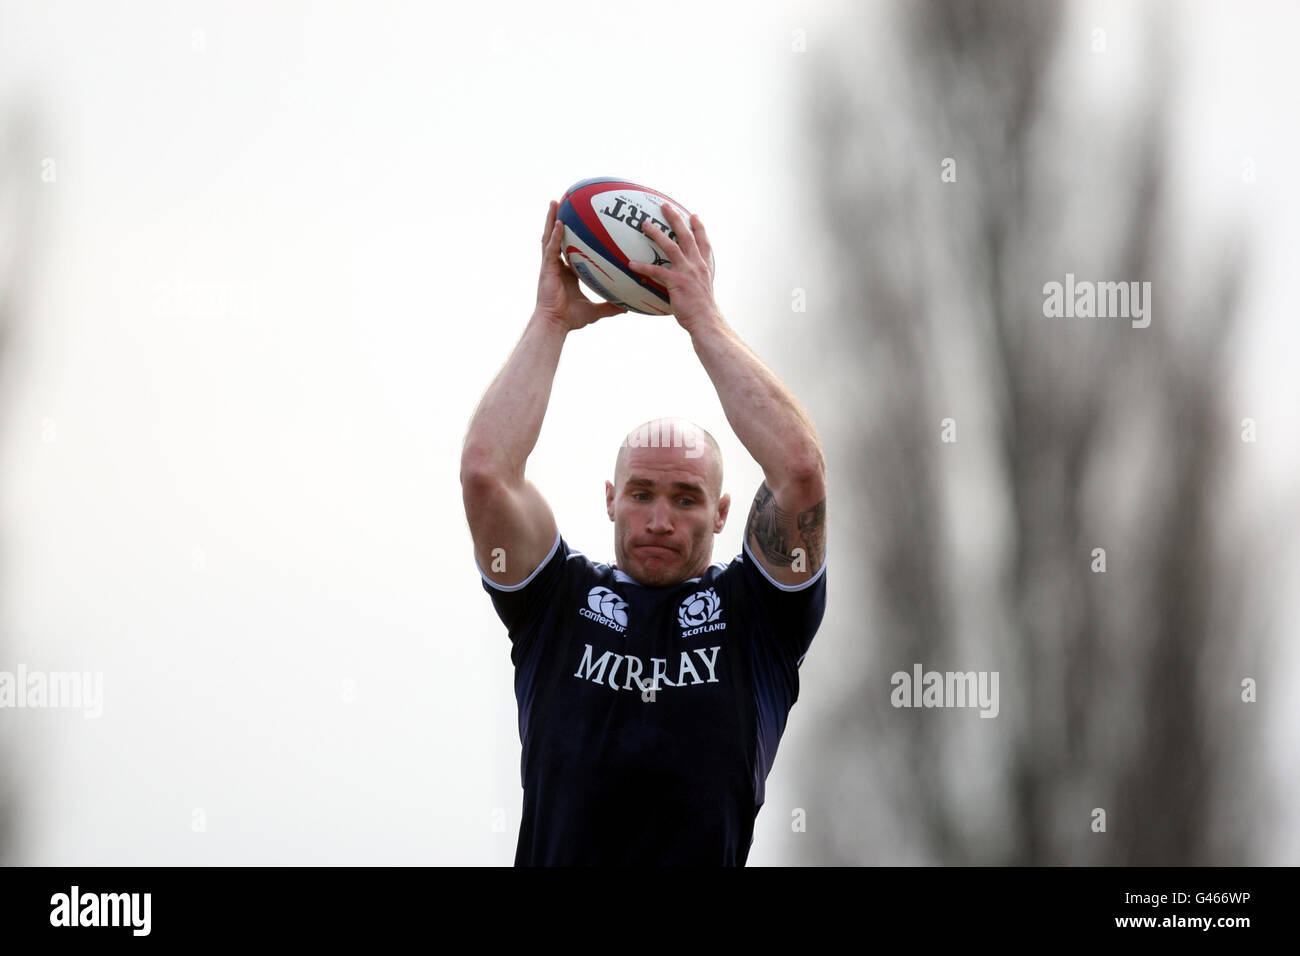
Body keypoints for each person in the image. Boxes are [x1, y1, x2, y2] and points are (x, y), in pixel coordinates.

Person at [460, 198, 828, 865]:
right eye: (641, 494)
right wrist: (550, 321)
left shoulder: (759, 619)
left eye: (686, 499)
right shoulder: (557, 604)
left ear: (721, 513)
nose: (659, 519)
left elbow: (800, 471)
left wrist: (704, 321)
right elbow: (488, 474)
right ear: (610, 500)